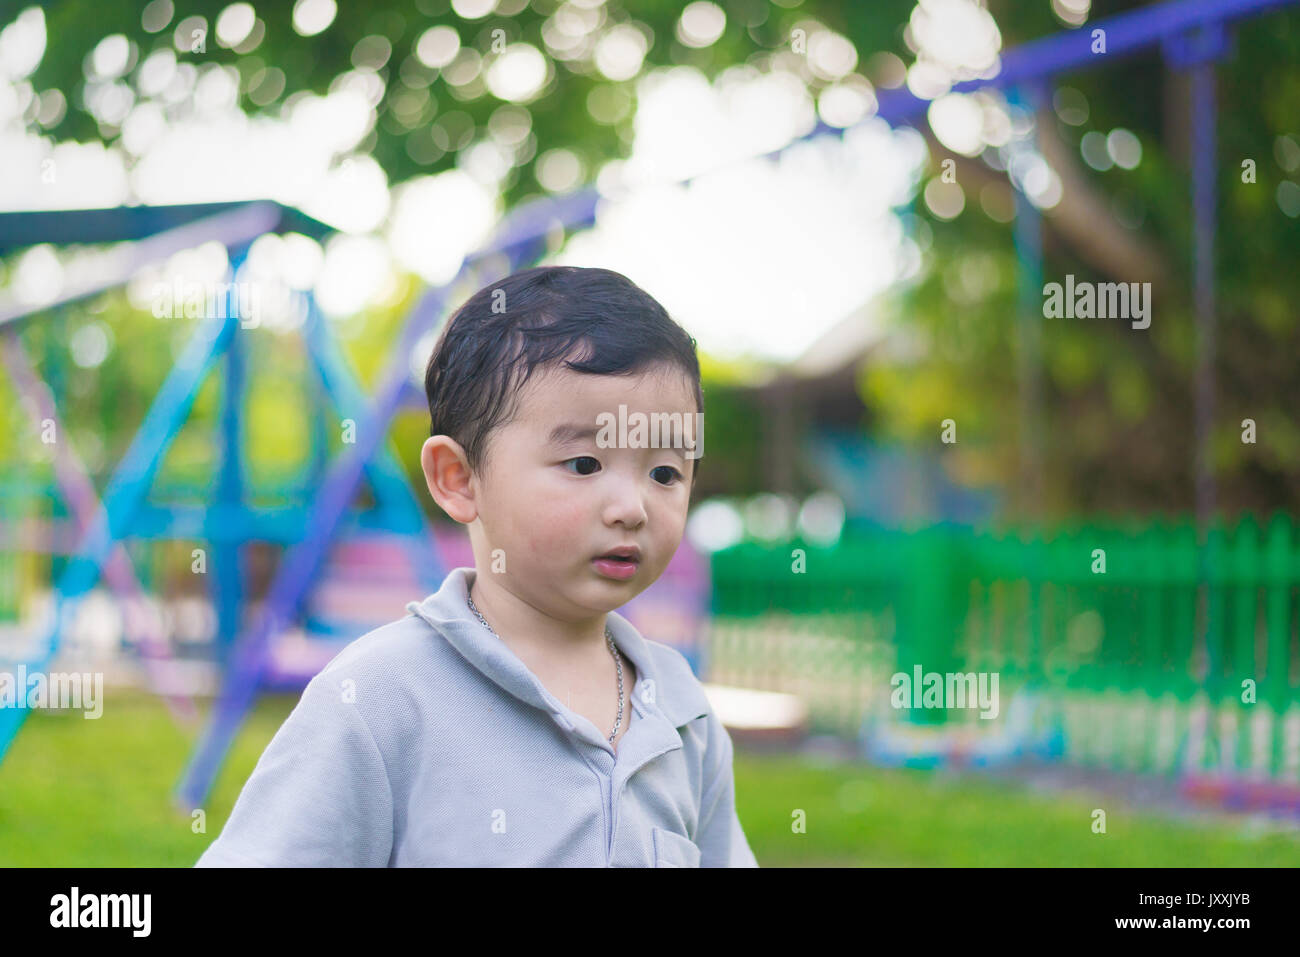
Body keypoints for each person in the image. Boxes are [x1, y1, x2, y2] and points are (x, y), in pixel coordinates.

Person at [195, 265, 758, 867]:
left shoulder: (679, 709)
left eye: (665, 473)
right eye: (585, 465)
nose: (631, 507)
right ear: (458, 479)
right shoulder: (381, 696)